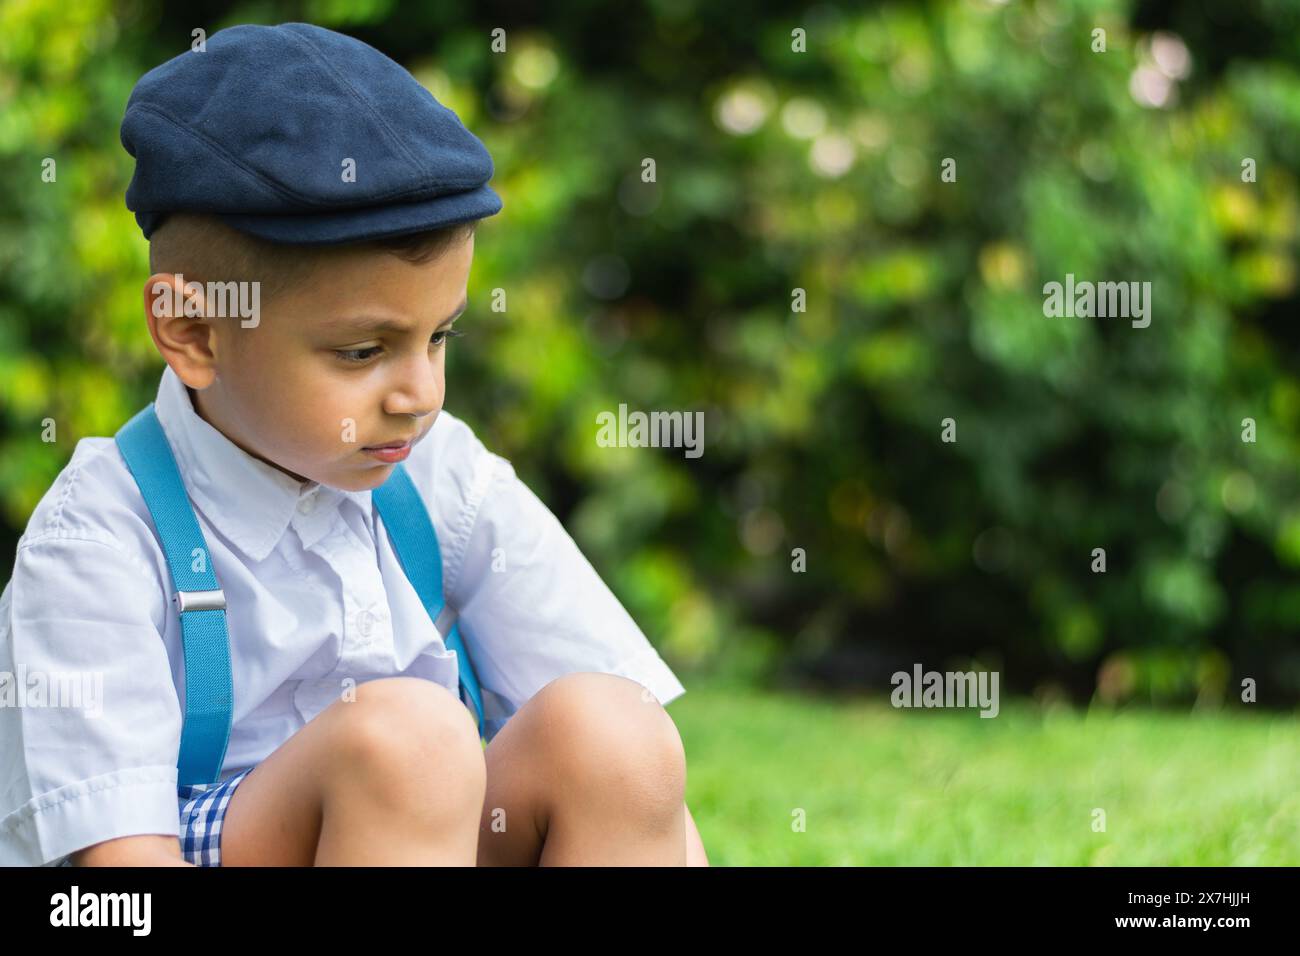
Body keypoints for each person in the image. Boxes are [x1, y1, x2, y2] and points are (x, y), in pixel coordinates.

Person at [0, 21, 707, 867]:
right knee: (408, 743)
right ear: (193, 331)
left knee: (615, 732)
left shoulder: (441, 473)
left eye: (439, 336)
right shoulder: (101, 536)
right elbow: (118, 876)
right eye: (362, 352)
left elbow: (633, 775)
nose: (421, 395)